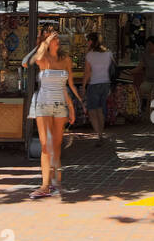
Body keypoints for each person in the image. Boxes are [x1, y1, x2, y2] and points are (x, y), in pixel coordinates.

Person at [27, 26, 79, 198]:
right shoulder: (43, 58)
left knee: (56, 145)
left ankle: (54, 181)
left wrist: (71, 107)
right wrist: (45, 42)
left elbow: (66, 85)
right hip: (43, 104)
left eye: (56, 37)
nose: (55, 39)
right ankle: (44, 185)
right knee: (45, 144)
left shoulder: (66, 59)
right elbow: (35, 59)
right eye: (51, 37)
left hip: (60, 105)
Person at [80, 31, 114, 142]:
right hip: (106, 83)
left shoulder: (90, 55)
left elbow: (87, 73)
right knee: (100, 109)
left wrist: (83, 87)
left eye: (88, 41)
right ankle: (101, 132)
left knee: (92, 110)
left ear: (91, 41)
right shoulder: (108, 53)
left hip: (94, 84)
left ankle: (99, 134)